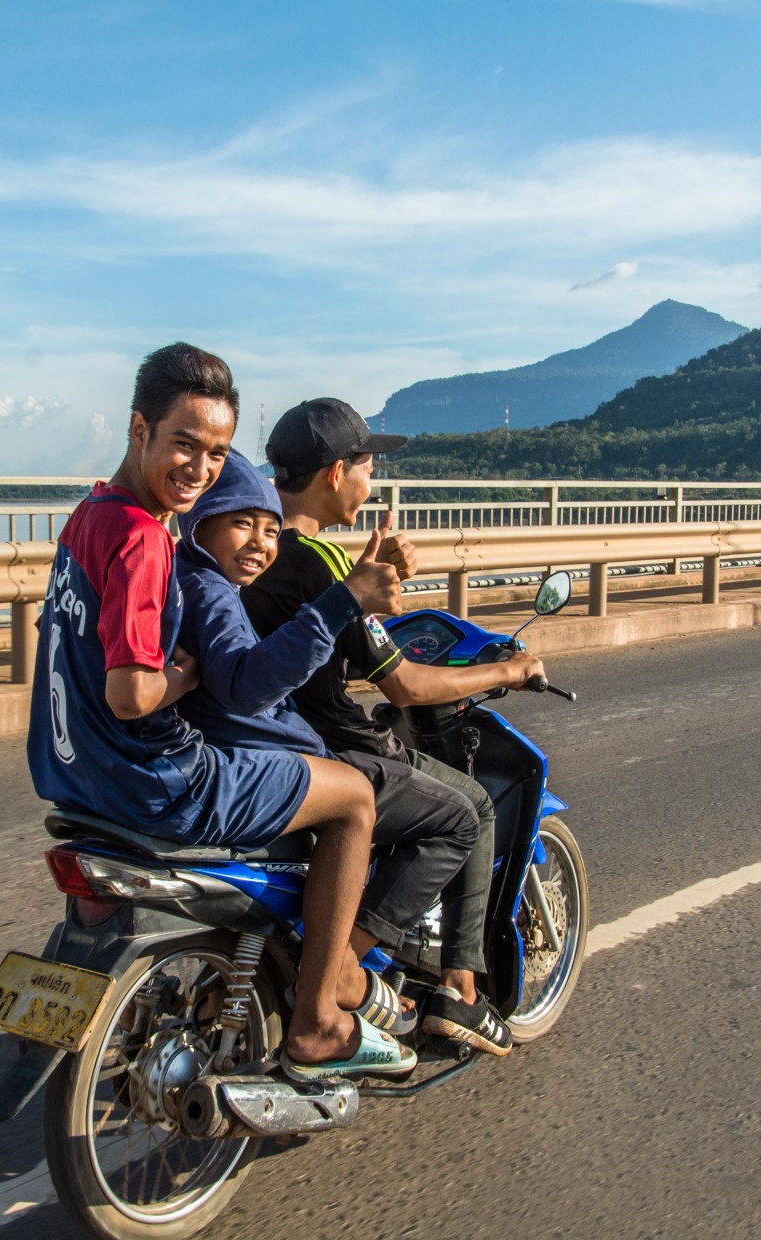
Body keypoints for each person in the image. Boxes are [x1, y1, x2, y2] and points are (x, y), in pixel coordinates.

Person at [26, 344, 413, 1081]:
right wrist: (180, 675)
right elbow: (131, 694)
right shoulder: (144, 539)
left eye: (216, 453)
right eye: (184, 444)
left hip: (71, 775)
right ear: (139, 429)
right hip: (156, 781)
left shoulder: (89, 517)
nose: (198, 469)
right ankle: (319, 1018)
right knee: (355, 799)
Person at [244, 398, 547, 1057]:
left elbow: (321, 632)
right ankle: (406, 979)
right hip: (335, 750)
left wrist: (370, 576)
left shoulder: (251, 547)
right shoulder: (322, 565)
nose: (372, 478)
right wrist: (509, 671)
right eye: (367, 464)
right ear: (335, 473)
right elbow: (406, 685)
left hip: (266, 745)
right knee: (470, 810)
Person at [171, 449, 479, 1010]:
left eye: (269, 529)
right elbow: (398, 685)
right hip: (267, 758)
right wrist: (347, 599)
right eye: (242, 523)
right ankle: (338, 969)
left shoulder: (189, 579)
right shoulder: (226, 588)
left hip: (234, 751)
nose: (260, 543)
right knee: (452, 814)